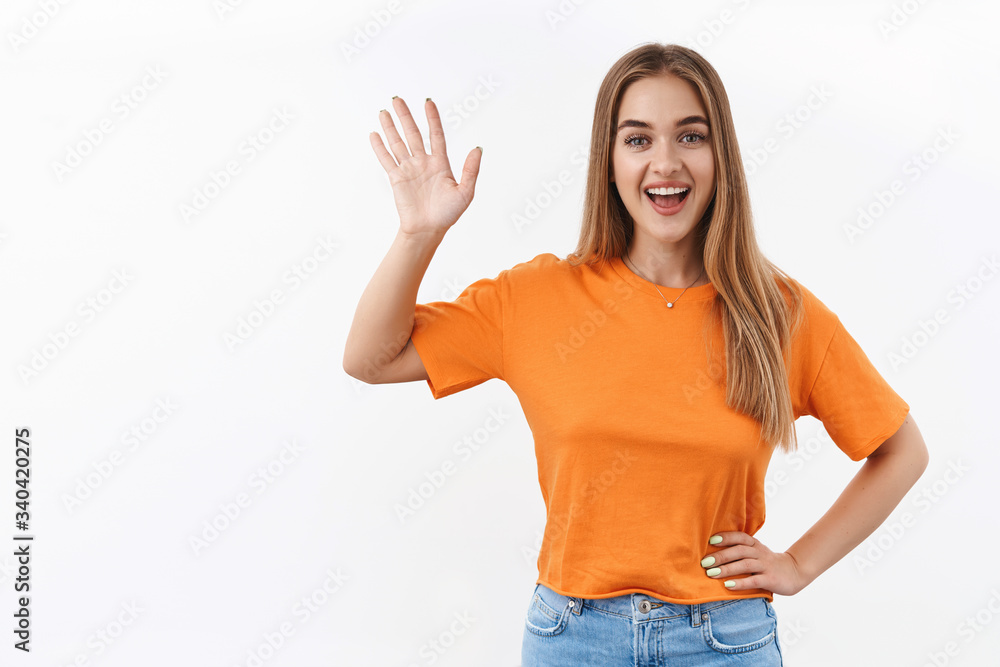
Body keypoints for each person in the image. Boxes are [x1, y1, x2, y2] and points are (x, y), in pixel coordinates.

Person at [344, 42, 929, 666]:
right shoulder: (536, 298)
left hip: (723, 641)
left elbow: (902, 451)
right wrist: (418, 234)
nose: (666, 163)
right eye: (639, 139)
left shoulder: (779, 314)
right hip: (573, 640)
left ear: (720, 155)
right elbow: (371, 359)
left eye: (691, 136)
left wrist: (798, 565)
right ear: (610, 159)